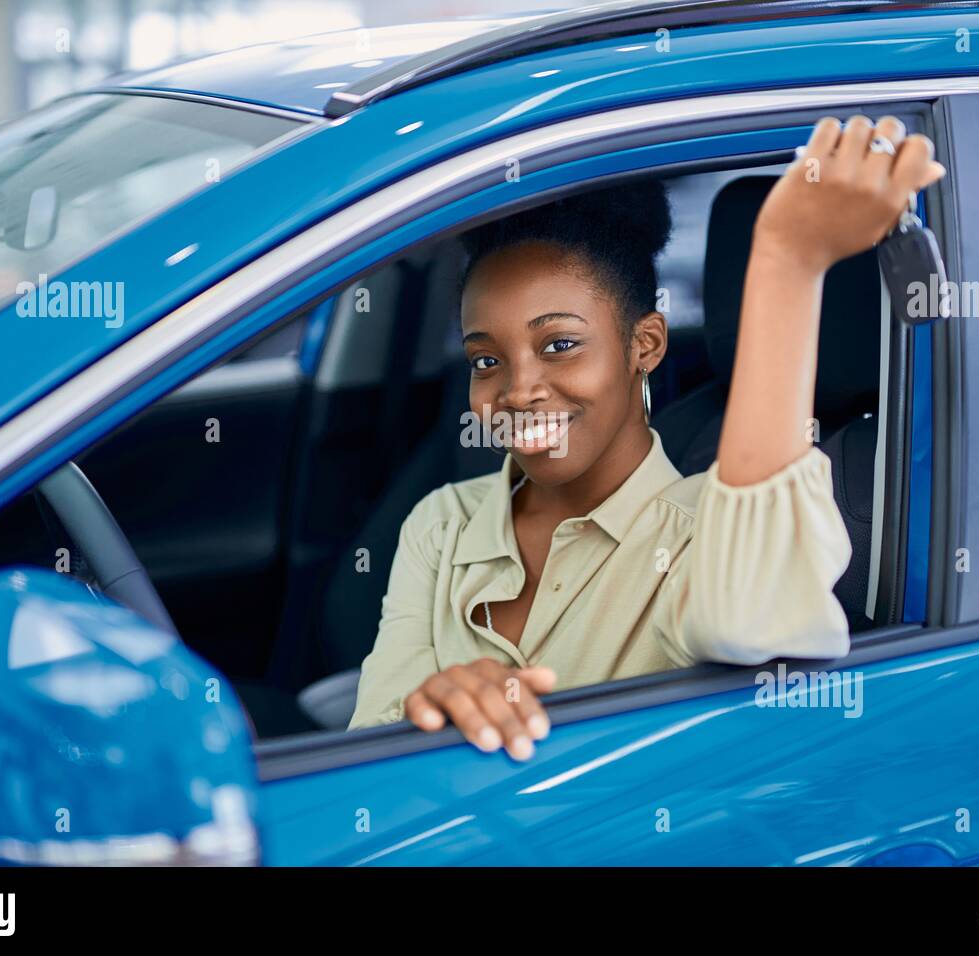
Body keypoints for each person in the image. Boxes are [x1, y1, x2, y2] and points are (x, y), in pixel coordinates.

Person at [348, 115, 945, 758]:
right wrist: (432, 701)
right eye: (486, 360)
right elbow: (366, 743)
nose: (517, 391)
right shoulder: (442, 525)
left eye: (560, 345)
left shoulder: (697, 533)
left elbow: (747, 616)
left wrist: (789, 259)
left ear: (645, 344)